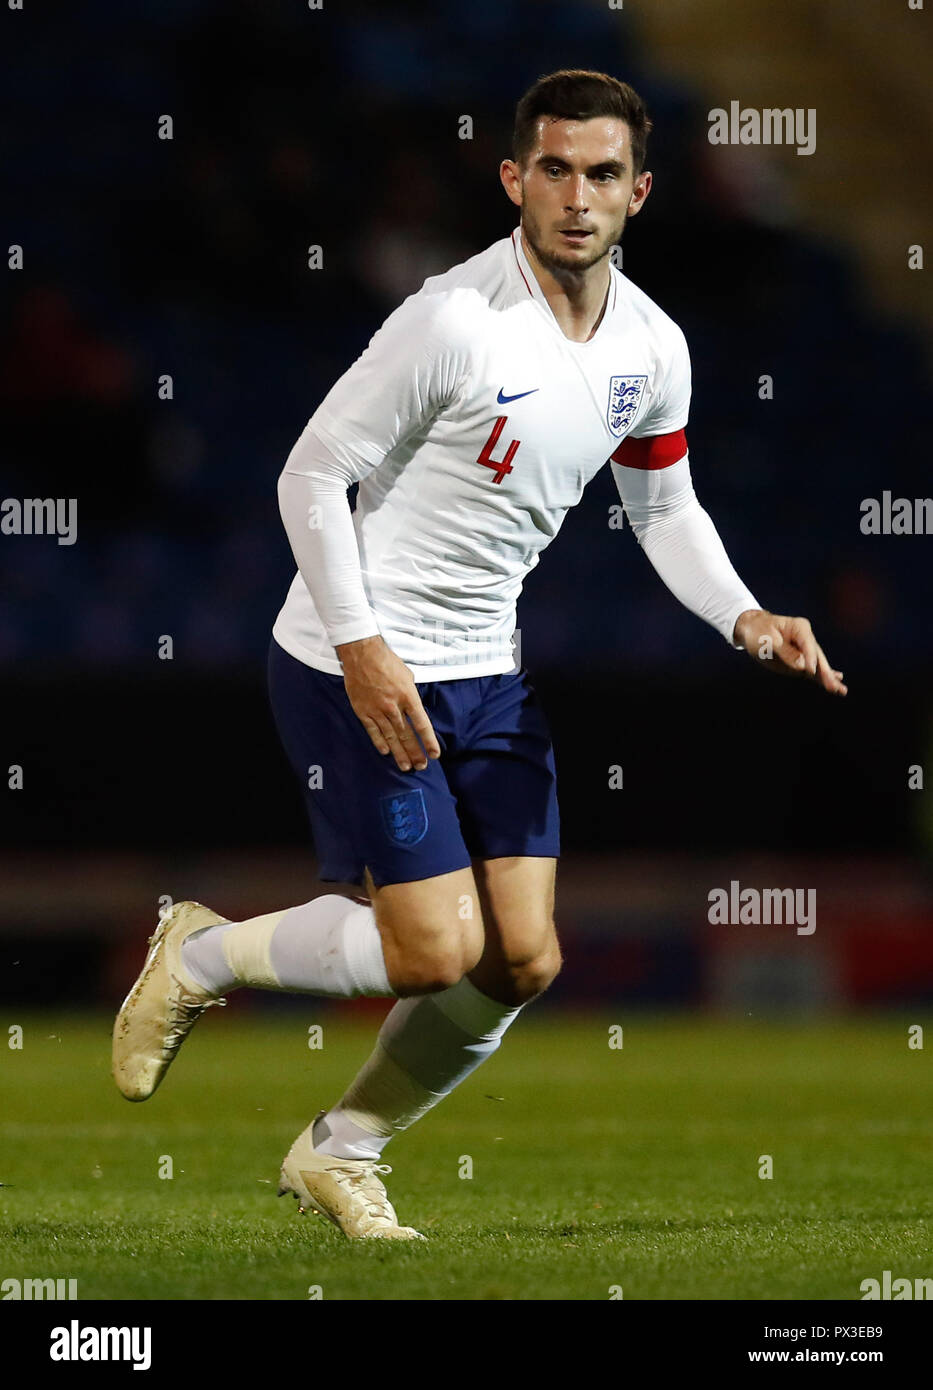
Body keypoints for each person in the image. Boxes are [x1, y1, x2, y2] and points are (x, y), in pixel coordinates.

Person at [112, 69, 846, 1240]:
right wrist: (360, 648)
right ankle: (202, 952)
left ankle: (341, 1150)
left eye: (602, 173)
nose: (576, 195)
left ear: (640, 191)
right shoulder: (452, 318)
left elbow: (663, 507)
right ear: (514, 178)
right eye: (552, 168)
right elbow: (311, 473)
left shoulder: (653, 347)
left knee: (522, 959)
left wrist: (744, 614)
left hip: (486, 674)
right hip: (352, 655)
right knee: (434, 950)